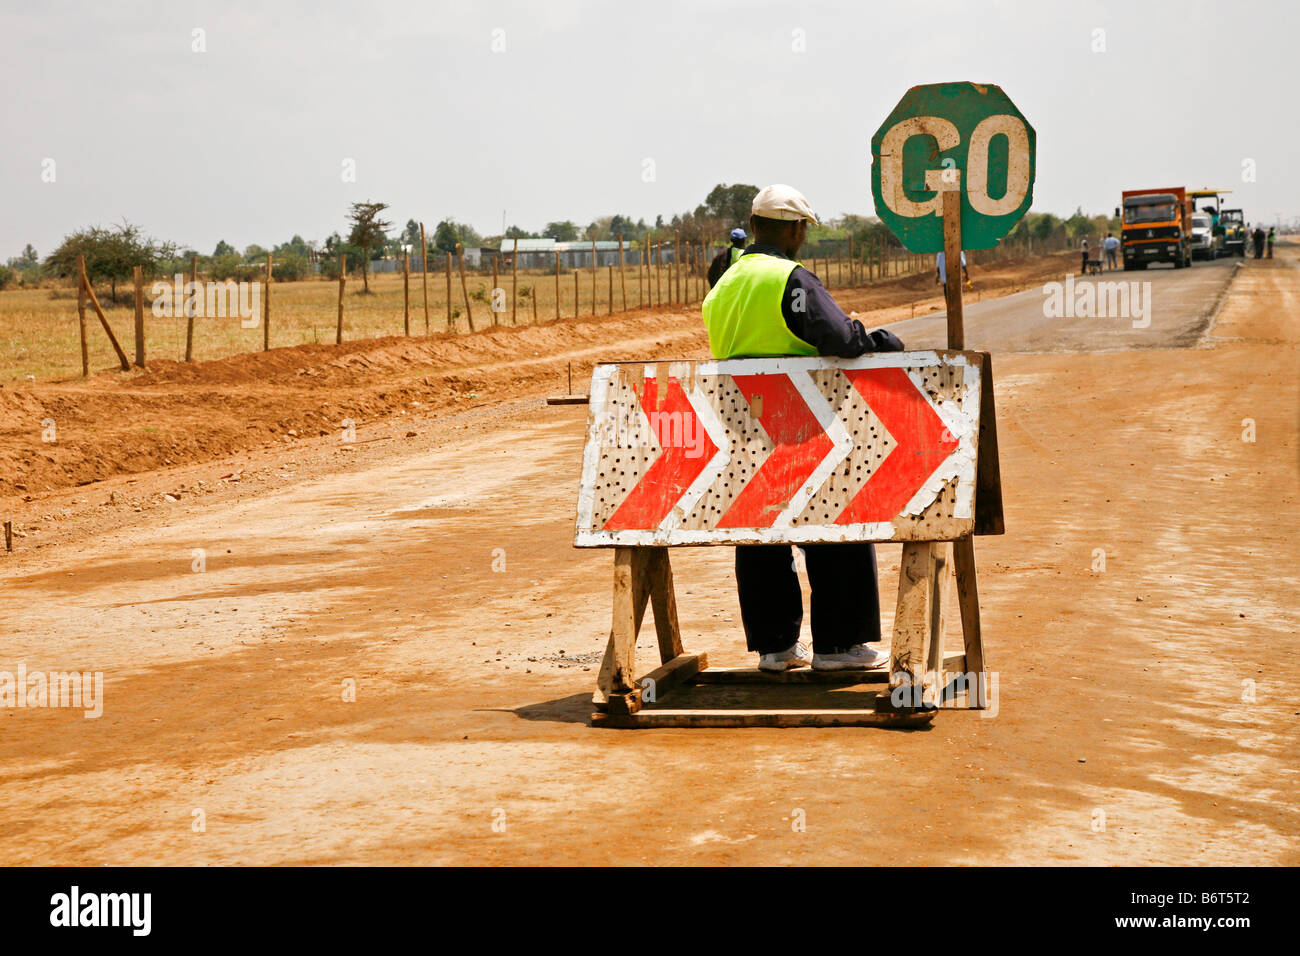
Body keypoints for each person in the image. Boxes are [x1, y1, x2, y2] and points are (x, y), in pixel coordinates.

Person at [701, 184, 904, 673]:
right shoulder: (790, 279)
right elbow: (837, 337)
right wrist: (872, 337)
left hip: (739, 429)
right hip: (801, 426)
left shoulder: (722, 284)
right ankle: (839, 646)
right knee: (835, 525)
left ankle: (776, 647)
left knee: (760, 535)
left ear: (753, 227)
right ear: (795, 230)